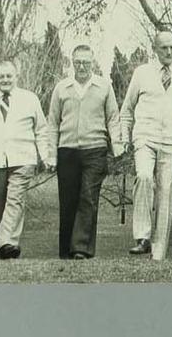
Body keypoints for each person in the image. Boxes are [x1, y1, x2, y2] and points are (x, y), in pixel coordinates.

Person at [118, 31, 172, 260]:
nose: (170, 52)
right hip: (146, 137)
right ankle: (142, 237)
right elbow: (126, 110)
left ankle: (158, 252)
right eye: (164, 48)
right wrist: (125, 139)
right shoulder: (142, 73)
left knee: (166, 193)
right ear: (155, 48)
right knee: (143, 177)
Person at [46, 45, 122, 259]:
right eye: (77, 62)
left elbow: (113, 118)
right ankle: (66, 251)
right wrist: (51, 154)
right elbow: (52, 123)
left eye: (85, 62)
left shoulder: (104, 86)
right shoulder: (62, 88)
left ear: (92, 62)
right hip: (67, 150)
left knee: (88, 197)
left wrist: (117, 145)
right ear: (72, 61)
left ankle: (80, 248)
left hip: (95, 149)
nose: (81, 66)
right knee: (68, 200)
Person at [0, 61, 48, 259]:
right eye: (1, 76)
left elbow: (41, 129)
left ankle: (7, 243)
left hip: (22, 158)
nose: (5, 80)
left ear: (16, 76)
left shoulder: (29, 99)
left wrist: (45, 155)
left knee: (15, 200)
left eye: (9, 76)